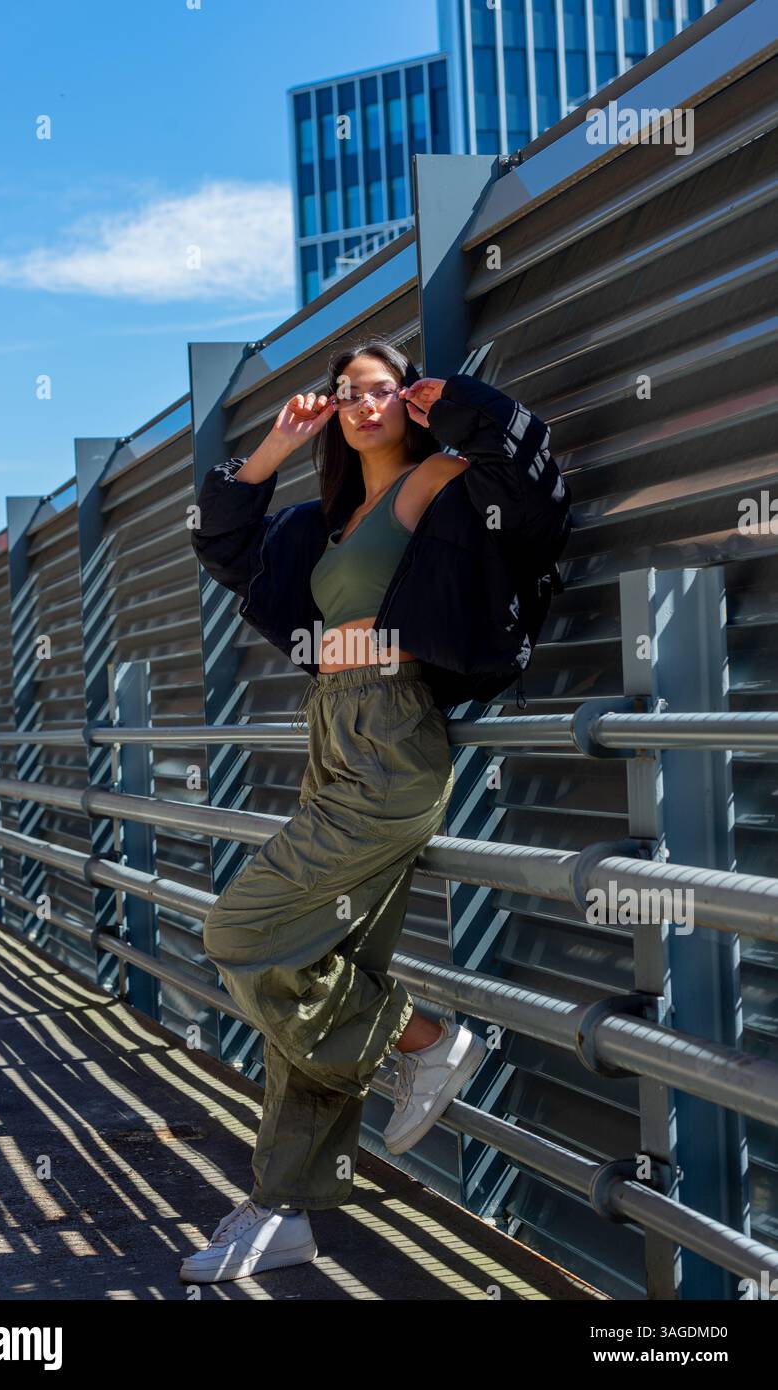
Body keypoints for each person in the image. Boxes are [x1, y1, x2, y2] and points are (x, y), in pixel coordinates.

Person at [181, 335, 572, 1284]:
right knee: (316, 960)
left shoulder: (444, 479)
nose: (362, 404)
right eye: (345, 392)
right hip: (332, 737)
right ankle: (288, 1209)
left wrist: (456, 402)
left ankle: (428, 1043)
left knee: (240, 931)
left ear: (409, 398)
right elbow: (218, 538)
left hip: (395, 742)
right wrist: (272, 448)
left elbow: (536, 488)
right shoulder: (319, 523)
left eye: (381, 389)